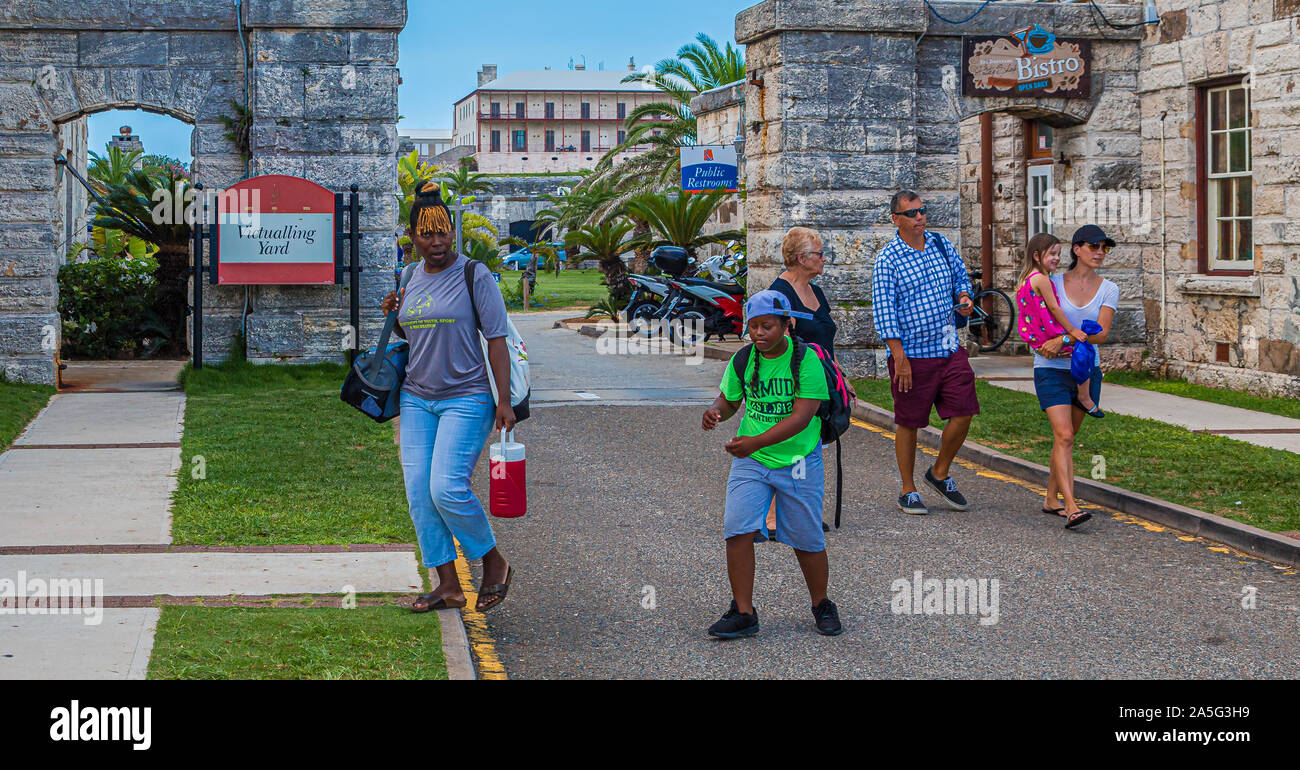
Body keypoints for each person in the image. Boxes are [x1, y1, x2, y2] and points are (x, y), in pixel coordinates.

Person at [380, 182, 517, 613]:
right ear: (412, 236)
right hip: (418, 398)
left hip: (468, 396)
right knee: (420, 493)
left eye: (443, 232)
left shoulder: (474, 275)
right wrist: (394, 316)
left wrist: (505, 400)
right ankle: (448, 585)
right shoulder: (408, 277)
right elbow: (414, 334)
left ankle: (493, 562)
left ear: (453, 232)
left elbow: (496, 340)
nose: (436, 242)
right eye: (427, 234)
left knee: (446, 487)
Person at [701, 290, 842, 638]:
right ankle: (744, 612)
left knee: (807, 539)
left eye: (767, 326)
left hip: (797, 460)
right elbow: (731, 398)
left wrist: (754, 442)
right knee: (737, 530)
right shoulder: (744, 359)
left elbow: (801, 416)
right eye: (753, 327)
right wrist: (717, 411)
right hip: (753, 460)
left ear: (787, 325)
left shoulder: (805, 360)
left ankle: (822, 603)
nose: (759, 334)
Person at [870, 190, 978, 516]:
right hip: (912, 354)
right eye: (912, 213)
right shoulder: (888, 259)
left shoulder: (941, 244)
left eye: (922, 211)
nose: (919, 217)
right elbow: (884, 310)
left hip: (948, 347)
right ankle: (908, 489)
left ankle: (939, 472)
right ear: (896, 220)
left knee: (964, 410)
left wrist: (964, 295)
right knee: (909, 421)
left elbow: (961, 276)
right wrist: (898, 356)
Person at [1033, 224, 1119, 529]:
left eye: (1104, 248)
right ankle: (1071, 507)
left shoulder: (1109, 288)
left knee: (1066, 439)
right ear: (1076, 249)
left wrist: (1067, 339)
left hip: (1086, 372)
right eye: (1094, 247)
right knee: (1064, 435)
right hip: (1050, 369)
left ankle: (1050, 498)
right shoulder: (1051, 281)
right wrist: (1046, 343)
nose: (1099, 253)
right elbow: (1032, 315)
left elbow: (1103, 334)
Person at [765, 226, 839, 537]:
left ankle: (800, 512)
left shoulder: (817, 292)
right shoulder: (779, 294)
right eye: (819, 254)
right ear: (800, 258)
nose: (824, 259)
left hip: (817, 383)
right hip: (788, 384)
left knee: (809, 447)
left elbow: (825, 341)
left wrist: (840, 377)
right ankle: (770, 516)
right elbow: (769, 341)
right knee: (784, 445)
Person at [1015, 232, 1104, 417]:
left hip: (1034, 333)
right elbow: (1054, 309)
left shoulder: (1025, 279)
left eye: (1058, 254)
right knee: (1083, 352)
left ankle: (1082, 394)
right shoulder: (1042, 279)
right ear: (1037, 256)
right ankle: (1084, 397)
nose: (1057, 258)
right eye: (1052, 254)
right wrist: (1072, 331)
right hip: (1047, 329)